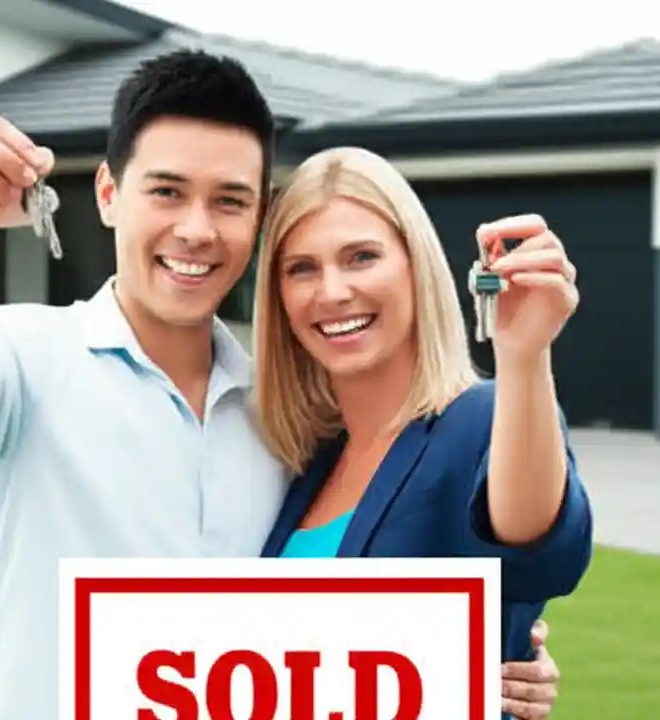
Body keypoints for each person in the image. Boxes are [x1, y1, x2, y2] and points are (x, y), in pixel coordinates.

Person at [0, 49, 562, 720]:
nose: (196, 230)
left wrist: (476, 657)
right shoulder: (26, 356)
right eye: (166, 192)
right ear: (109, 194)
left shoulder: (289, 412)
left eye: (229, 201)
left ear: (258, 218)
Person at [251, 146, 593, 719]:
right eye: (301, 268)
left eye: (361, 257)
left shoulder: (479, 420)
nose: (332, 291)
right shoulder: (302, 462)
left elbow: (537, 552)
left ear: (416, 266)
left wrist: (525, 357)